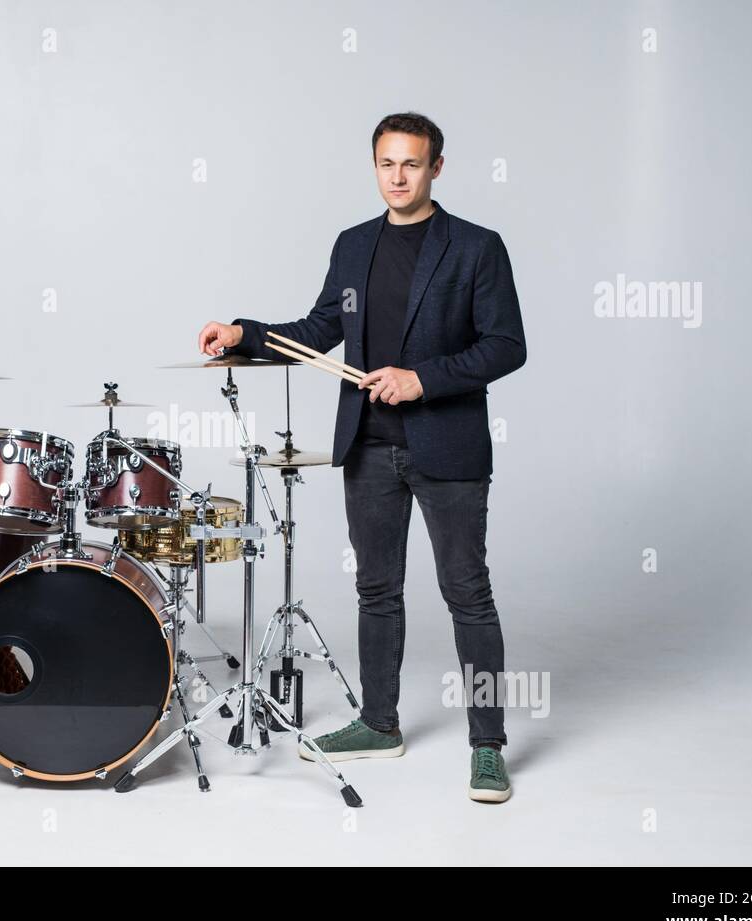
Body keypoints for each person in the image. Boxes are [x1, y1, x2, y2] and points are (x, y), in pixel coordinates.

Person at [195, 112, 526, 803]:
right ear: (374, 166)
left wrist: (421, 379)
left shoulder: (475, 247)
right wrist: (244, 332)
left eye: (411, 164)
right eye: (386, 164)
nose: (397, 177)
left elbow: (506, 345)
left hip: (448, 446)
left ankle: (488, 745)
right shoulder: (353, 246)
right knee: (376, 591)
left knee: (469, 595)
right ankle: (380, 722)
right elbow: (320, 331)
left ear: (437, 166)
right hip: (369, 448)